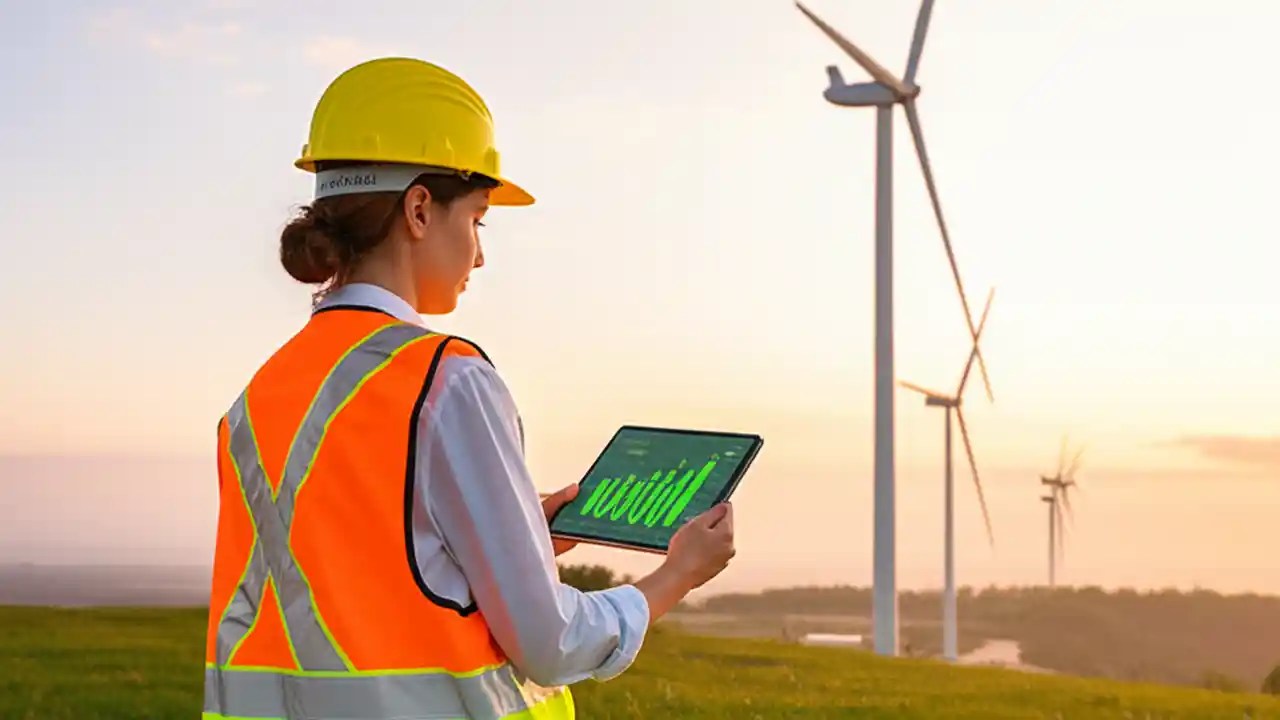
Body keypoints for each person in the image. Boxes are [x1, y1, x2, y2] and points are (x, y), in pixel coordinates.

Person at [202, 57, 737, 720]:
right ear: (420, 210)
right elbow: (552, 642)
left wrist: (507, 537)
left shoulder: (259, 398)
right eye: (479, 218)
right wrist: (676, 576)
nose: (480, 254)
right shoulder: (447, 382)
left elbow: (349, 588)